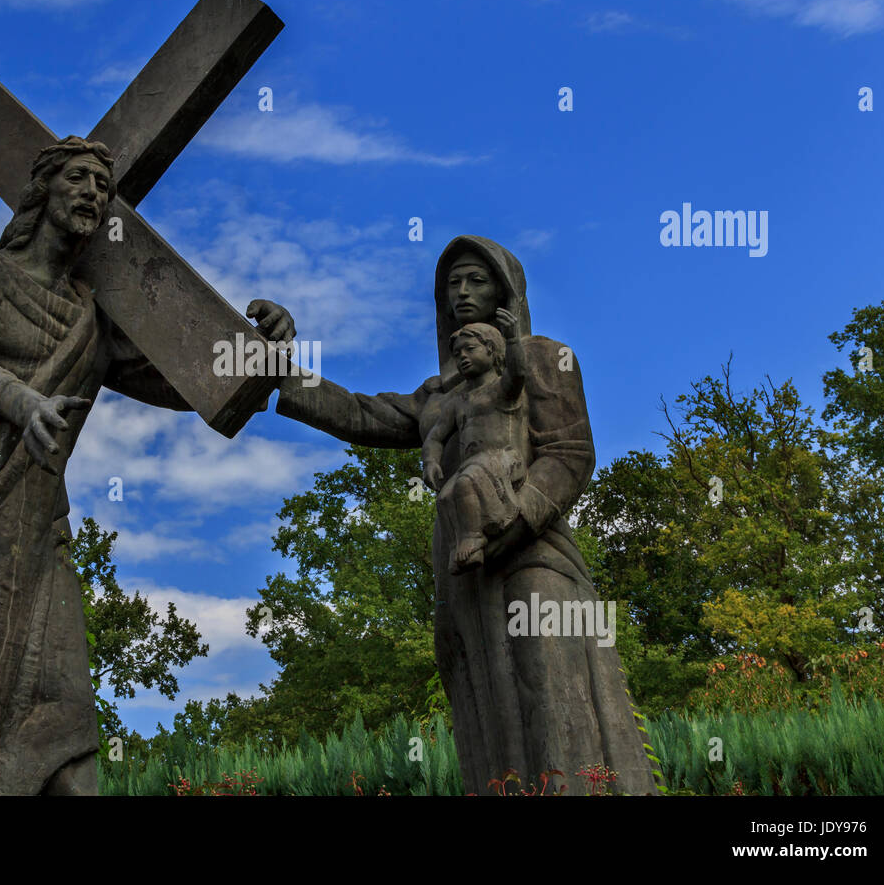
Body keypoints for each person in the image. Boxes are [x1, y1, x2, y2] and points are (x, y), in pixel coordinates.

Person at [0, 136, 293, 795]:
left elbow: (187, 383)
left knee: (62, 705)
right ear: (42, 188)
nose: (92, 194)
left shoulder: (90, 318)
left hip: (39, 532)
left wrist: (259, 350)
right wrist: (20, 401)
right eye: (77, 178)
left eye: (102, 188)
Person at [274, 236, 655, 795]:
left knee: (548, 684)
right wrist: (275, 366)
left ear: (505, 291)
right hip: (464, 572)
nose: (463, 292)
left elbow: (570, 453)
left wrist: (513, 521)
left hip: (534, 553)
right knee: (481, 702)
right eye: (453, 283)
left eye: (477, 280)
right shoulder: (440, 396)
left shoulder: (541, 359)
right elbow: (360, 413)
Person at [422, 313, 528, 573]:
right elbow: (435, 436)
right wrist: (430, 461)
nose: (462, 357)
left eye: (470, 349)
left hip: (506, 459)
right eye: (457, 354)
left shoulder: (501, 389)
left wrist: (513, 338)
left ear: (492, 351)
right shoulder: (457, 402)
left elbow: (518, 373)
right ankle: (464, 547)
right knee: (445, 497)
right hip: (476, 465)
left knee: (465, 482)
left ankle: (473, 538)